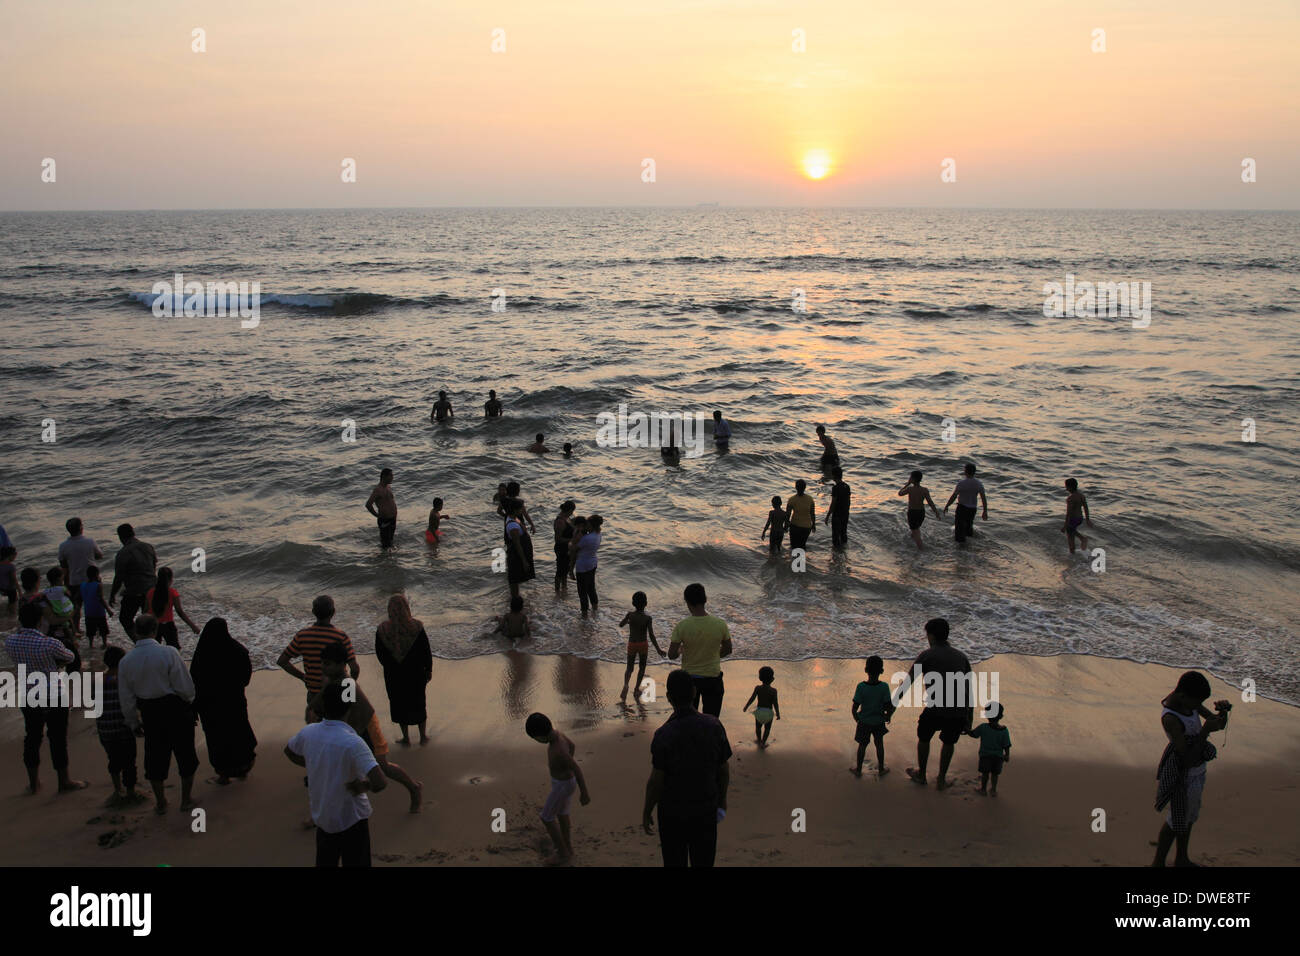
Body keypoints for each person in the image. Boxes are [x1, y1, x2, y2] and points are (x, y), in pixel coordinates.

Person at [310, 643, 423, 813]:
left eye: (327, 663)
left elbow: (345, 711)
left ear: (342, 665)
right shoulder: (332, 681)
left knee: (383, 766)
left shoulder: (347, 684)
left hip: (366, 726)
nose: (323, 667)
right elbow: (317, 704)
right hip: (351, 728)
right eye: (322, 662)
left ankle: (413, 787)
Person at [286, 683, 387, 867]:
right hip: (353, 818)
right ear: (349, 708)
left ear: (323, 706)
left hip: (323, 817)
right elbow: (380, 782)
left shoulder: (308, 732)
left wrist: (313, 763)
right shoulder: (353, 742)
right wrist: (362, 786)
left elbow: (289, 751)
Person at [643, 669, 732, 868]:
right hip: (705, 808)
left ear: (668, 697)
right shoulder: (714, 726)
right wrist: (722, 799)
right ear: (694, 693)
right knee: (704, 861)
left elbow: (656, 781)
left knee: (674, 861)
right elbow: (724, 770)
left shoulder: (663, 734)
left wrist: (647, 809)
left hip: (673, 812)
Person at [117, 613, 199, 814]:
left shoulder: (126, 661)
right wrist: (189, 704)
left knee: (155, 759)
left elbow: (126, 698)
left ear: (136, 632)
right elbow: (185, 687)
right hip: (175, 708)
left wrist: (133, 722)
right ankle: (186, 800)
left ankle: (161, 802)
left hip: (150, 712)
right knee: (185, 756)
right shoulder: (169, 652)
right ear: (155, 631)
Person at [4, 602, 86, 795]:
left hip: (29, 693)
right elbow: (70, 657)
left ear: (20, 620)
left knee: (32, 737)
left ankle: (34, 784)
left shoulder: (11, 642)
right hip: (53, 694)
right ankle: (63, 781)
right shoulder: (49, 643)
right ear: (41, 620)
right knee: (57, 738)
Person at [1153, 672, 1230, 867]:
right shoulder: (1171, 718)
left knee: (1188, 818)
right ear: (1182, 696)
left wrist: (1223, 713)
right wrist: (1205, 731)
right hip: (1183, 774)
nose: (1199, 707)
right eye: (1197, 702)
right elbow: (1186, 758)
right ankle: (1158, 863)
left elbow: (1217, 724)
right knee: (1175, 820)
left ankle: (1181, 858)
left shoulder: (1189, 702)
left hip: (1197, 772)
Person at [893, 618, 972, 791]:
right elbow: (969, 691)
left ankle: (921, 775)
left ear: (932, 636)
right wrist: (969, 718)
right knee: (949, 742)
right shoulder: (961, 657)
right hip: (958, 712)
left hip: (935, 709)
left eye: (927, 635)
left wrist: (892, 707)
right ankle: (941, 780)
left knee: (924, 737)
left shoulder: (927, 655)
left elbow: (908, 683)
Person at [190, 618, 258, 784]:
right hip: (234, 702)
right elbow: (246, 679)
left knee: (217, 740)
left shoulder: (202, 654)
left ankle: (223, 775)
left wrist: (194, 707)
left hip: (210, 706)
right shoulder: (239, 650)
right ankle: (243, 768)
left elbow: (193, 681)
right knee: (239, 733)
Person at [525, 713, 591, 866]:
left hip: (562, 786)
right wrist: (565, 769)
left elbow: (576, 768)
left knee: (546, 817)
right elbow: (572, 746)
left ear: (541, 737)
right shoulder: (559, 735)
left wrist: (584, 793)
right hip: (565, 783)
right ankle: (567, 847)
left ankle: (562, 853)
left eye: (535, 739)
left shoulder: (558, 751)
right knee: (562, 813)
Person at [277, 595, 360, 714]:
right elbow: (355, 668)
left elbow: (282, 661)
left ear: (313, 612)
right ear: (333, 612)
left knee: (317, 729)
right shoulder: (340, 637)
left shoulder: (303, 635)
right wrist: (350, 687)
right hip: (337, 692)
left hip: (314, 694)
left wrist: (303, 677)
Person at [374, 594, 433, 745]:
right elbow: (426, 650)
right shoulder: (417, 627)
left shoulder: (382, 630)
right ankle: (423, 737)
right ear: (407, 608)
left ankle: (406, 738)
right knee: (419, 703)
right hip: (416, 672)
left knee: (398, 704)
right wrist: (429, 669)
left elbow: (380, 654)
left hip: (394, 674)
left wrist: (390, 666)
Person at [667, 583, 732, 717]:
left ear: (687, 602)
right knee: (712, 719)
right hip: (713, 678)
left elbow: (672, 655)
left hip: (689, 681)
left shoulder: (682, 626)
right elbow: (728, 649)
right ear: (705, 599)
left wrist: (680, 650)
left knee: (689, 720)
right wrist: (713, 656)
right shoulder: (720, 624)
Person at [96, 645, 142, 806]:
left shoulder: (98, 681)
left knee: (113, 760)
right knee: (129, 761)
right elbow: (132, 704)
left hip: (105, 728)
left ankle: (117, 789)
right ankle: (130, 791)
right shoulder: (125, 681)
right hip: (124, 727)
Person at [108, 523, 156, 639]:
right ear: (133, 533)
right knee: (150, 619)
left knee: (125, 618)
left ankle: (139, 641)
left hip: (134, 591)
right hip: (152, 589)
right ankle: (153, 642)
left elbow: (119, 577)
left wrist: (112, 594)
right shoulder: (148, 546)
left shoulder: (123, 553)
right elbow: (154, 566)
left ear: (120, 537)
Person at [852, 656, 895, 776]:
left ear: (866, 670)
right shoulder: (884, 687)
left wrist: (857, 719)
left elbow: (854, 707)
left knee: (862, 745)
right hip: (878, 721)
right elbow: (888, 706)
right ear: (882, 671)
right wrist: (888, 715)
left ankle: (858, 769)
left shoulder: (861, 687)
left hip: (864, 722)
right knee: (879, 744)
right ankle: (881, 769)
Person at [58, 517, 102, 635]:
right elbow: (99, 555)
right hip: (92, 579)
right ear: (81, 528)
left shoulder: (63, 546)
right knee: (95, 605)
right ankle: (97, 629)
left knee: (76, 606)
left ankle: (76, 629)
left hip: (74, 580)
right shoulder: (90, 541)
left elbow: (63, 564)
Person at [618, 591, 663, 702]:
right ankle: (637, 689)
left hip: (632, 644)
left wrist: (627, 620)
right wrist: (658, 649)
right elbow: (651, 635)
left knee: (630, 668)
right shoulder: (648, 618)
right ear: (646, 603)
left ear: (633, 603)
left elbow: (620, 624)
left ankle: (626, 685)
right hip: (643, 645)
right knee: (642, 668)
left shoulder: (630, 615)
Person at [145, 566, 200, 649]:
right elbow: (180, 612)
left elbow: (145, 610)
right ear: (170, 579)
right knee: (174, 649)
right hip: (167, 625)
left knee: (153, 648)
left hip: (152, 625)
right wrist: (192, 626)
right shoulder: (172, 592)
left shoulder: (150, 592)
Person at [968, 702, 1011, 796]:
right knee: (995, 774)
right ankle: (993, 790)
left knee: (985, 774)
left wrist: (966, 729)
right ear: (1001, 716)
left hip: (985, 755)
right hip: (998, 757)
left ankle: (983, 789)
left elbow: (973, 734)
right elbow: (1006, 745)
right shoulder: (1004, 730)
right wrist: (1007, 755)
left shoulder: (983, 727)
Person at [944, 463, 988, 543]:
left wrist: (947, 505)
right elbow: (983, 498)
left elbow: (954, 496)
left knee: (959, 528)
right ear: (974, 472)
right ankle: (969, 545)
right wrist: (985, 511)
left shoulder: (962, 483)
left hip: (962, 508)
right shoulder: (978, 484)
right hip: (972, 509)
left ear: (965, 471)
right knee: (968, 527)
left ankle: (960, 548)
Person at [898, 470, 941, 550]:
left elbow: (900, 493)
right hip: (921, 513)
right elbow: (930, 502)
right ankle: (912, 542)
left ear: (913, 479)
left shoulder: (910, 489)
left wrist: (907, 484)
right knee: (915, 529)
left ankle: (921, 551)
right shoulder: (924, 490)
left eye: (910, 477)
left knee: (915, 531)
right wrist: (936, 512)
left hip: (912, 512)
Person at [504, 499, 536, 601]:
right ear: (515, 510)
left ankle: (516, 600)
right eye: (521, 508)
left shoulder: (515, 518)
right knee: (514, 579)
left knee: (516, 579)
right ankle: (515, 601)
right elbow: (517, 545)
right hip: (516, 556)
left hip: (518, 554)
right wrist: (524, 561)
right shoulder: (512, 525)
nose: (523, 510)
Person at [742, 666, 780, 748]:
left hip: (759, 712)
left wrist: (746, 706)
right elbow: (775, 703)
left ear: (760, 678)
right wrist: (778, 713)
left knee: (758, 727)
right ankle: (763, 742)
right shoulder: (774, 691)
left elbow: (752, 698)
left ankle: (759, 740)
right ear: (772, 679)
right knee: (767, 729)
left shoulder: (758, 688)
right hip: (769, 713)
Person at [573, 514, 602, 617]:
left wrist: (573, 538)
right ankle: (595, 610)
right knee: (591, 588)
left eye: (588, 524)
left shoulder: (586, 538)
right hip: (593, 563)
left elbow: (573, 548)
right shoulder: (598, 534)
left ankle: (584, 615)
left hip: (582, 565)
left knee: (582, 592)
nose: (586, 525)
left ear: (592, 525)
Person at [365, 468, 397, 550]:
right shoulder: (377, 490)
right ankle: (384, 560)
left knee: (391, 540)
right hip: (384, 520)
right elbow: (368, 505)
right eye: (391, 476)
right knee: (385, 543)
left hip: (392, 518)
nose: (392, 477)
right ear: (384, 477)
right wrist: (377, 515)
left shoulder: (388, 487)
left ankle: (389, 560)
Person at [80, 565, 110, 648]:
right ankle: (104, 644)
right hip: (99, 611)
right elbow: (101, 599)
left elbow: (79, 597)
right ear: (97, 574)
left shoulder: (82, 585)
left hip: (88, 611)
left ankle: (91, 645)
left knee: (90, 630)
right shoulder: (98, 585)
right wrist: (108, 610)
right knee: (103, 630)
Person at [784, 479, 816, 552]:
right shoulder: (810, 499)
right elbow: (812, 514)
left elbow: (788, 515)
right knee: (802, 545)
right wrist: (813, 525)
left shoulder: (791, 499)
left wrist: (785, 526)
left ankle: (794, 561)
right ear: (804, 488)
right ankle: (801, 561)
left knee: (794, 546)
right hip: (806, 527)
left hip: (795, 526)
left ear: (796, 487)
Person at [1062, 477, 1092, 553]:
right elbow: (1086, 507)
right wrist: (1087, 519)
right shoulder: (1081, 496)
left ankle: (1081, 539)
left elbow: (1069, 513)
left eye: (1066, 486)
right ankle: (1073, 551)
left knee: (1070, 535)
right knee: (1072, 532)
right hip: (1079, 518)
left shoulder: (1070, 498)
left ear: (1070, 487)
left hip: (1073, 519)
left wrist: (1065, 525)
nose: (1066, 489)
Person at [552, 501, 576, 593]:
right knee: (560, 571)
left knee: (565, 570)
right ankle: (557, 591)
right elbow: (558, 539)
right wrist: (572, 540)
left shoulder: (567, 518)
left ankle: (564, 589)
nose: (572, 513)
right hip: (561, 549)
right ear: (569, 510)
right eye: (572, 511)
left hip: (567, 548)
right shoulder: (560, 521)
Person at [826, 467, 851, 548]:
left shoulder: (835, 488)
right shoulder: (847, 486)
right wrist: (846, 512)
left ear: (834, 476)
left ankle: (837, 555)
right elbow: (848, 502)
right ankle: (844, 551)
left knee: (836, 537)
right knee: (843, 534)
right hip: (845, 514)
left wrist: (828, 515)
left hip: (837, 515)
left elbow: (833, 503)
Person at [0, 545, 17, 612]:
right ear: (10, 555)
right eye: (15, 554)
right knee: (13, 601)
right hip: (9, 590)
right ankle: (11, 616)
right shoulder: (10, 566)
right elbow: (14, 580)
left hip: (1, 588)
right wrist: (19, 591)